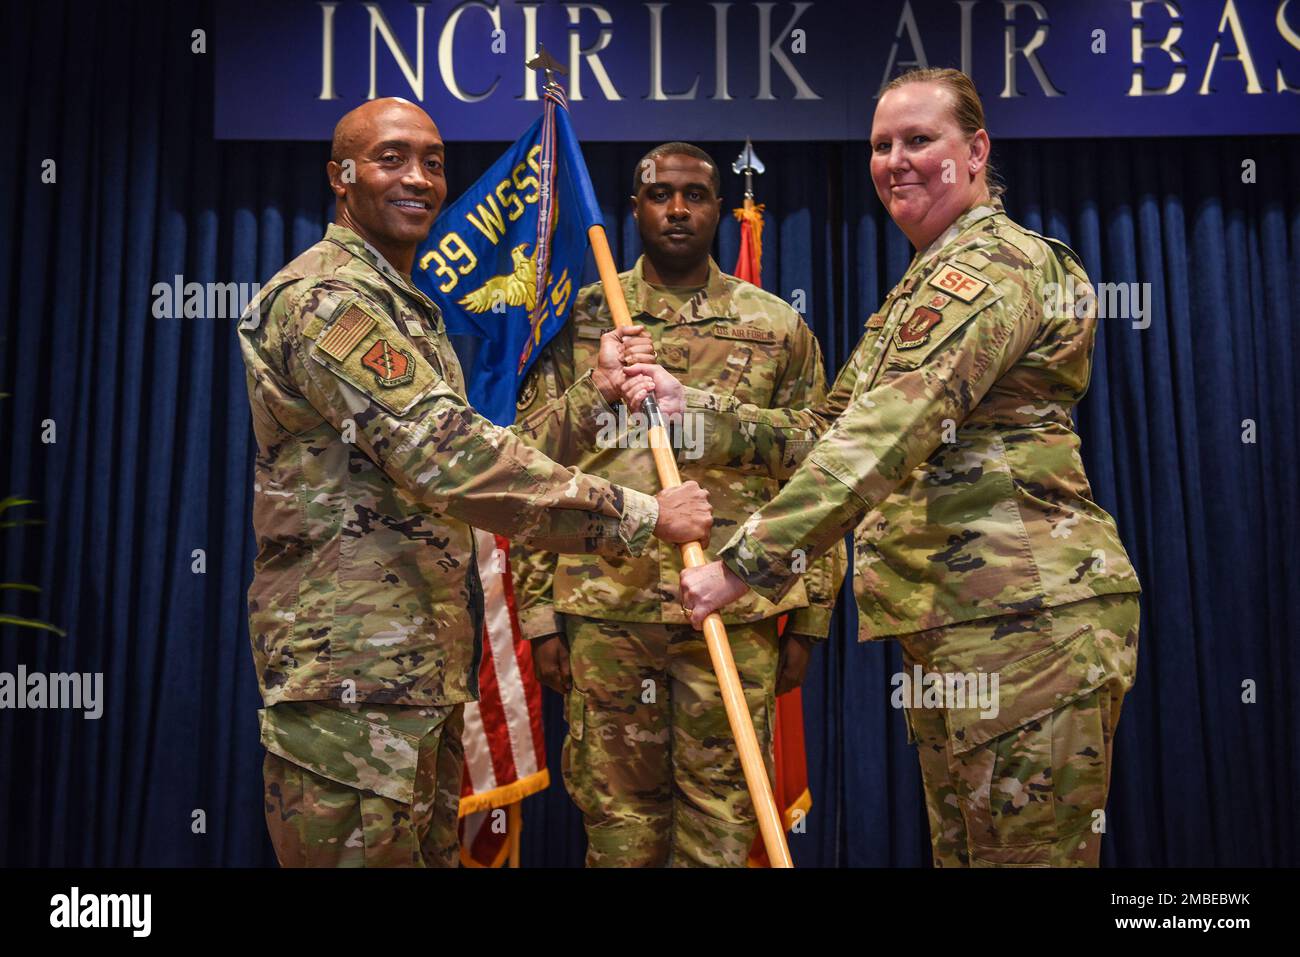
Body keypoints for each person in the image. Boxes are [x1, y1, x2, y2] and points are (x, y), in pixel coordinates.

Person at [623, 69, 1141, 868]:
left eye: (918, 140)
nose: (894, 160)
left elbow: (887, 434)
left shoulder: (993, 266)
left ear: (975, 151)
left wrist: (745, 565)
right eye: (880, 144)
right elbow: (827, 429)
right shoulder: (921, 284)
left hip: (1027, 626)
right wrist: (686, 401)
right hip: (958, 629)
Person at [236, 98, 712, 868]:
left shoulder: (406, 309)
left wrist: (593, 397)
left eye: (432, 161)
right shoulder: (325, 301)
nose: (419, 178)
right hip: (352, 691)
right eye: (392, 158)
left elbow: (482, 452)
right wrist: (639, 513)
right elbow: (446, 458)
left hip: (416, 678)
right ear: (341, 176)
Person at [512, 142, 846, 867]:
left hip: (735, 608)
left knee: (724, 828)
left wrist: (811, 613)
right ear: (634, 208)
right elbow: (533, 465)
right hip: (607, 610)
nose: (677, 208)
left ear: (720, 208)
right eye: (660, 194)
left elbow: (822, 466)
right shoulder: (582, 319)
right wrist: (538, 614)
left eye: (695, 194)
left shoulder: (775, 324)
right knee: (618, 826)